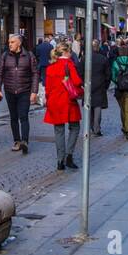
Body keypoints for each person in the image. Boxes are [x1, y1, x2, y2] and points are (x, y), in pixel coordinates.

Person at [0, 33, 38, 154]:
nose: (10, 44)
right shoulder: (5, 56)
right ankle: (17, 141)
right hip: (9, 91)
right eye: (9, 42)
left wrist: (34, 91)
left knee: (23, 116)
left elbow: (35, 74)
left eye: (12, 42)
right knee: (13, 117)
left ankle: (25, 141)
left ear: (19, 43)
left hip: (25, 90)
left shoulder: (29, 56)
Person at [43, 44, 83, 172]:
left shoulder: (50, 67)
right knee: (75, 127)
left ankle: (60, 160)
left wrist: (47, 99)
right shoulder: (69, 64)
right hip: (68, 101)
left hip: (54, 102)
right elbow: (77, 81)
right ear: (67, 52)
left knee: (59, 131)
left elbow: (47, 87)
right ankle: (69, 155)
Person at [110, 40, 128, 139]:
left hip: (119, 90)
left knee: (122, 109)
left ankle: (124, 127)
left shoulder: (115, 63)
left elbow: (113, 77)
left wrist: (118, 83)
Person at [87, 37, 111, 137]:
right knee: (97, 108)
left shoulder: (86, 58)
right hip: (100, 86)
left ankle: (92, 126)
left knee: (89, 107)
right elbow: (108, 74)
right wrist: (106, 85)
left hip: (88, 86)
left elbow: (79, 71)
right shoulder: (103, 59)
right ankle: (96, 128)